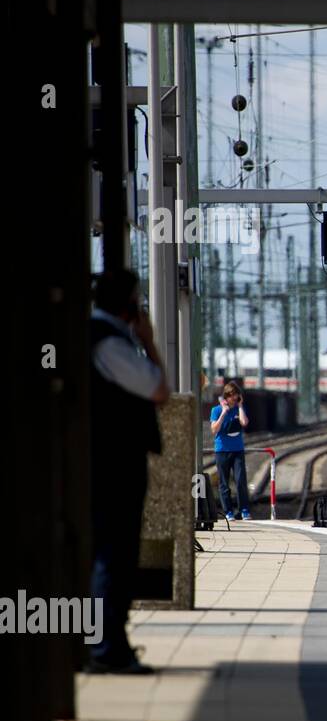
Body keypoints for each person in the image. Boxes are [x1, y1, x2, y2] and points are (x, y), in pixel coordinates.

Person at [89, 268, 168, 675]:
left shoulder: (102, 338)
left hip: (107, 463)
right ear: (129, 304)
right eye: (138, 298)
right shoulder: (110, 344)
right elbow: (160, 390)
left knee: (113, 556)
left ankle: (108, 645)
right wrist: (150, 342)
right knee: (113, 557)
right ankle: (105, 650)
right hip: (112, 466)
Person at [210, 382, 251, 520]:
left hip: (237, 449)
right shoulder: (216, 410)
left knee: (240, 480)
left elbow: (244, 423)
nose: (235, 398)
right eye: (233, 396)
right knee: (224, 483)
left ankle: (244, 510)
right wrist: (224, 412)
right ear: (227, 396)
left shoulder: (239, 409)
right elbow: (214, 429)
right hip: (222, 450)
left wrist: (240, 407)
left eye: (237, 395)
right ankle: (228, 511)